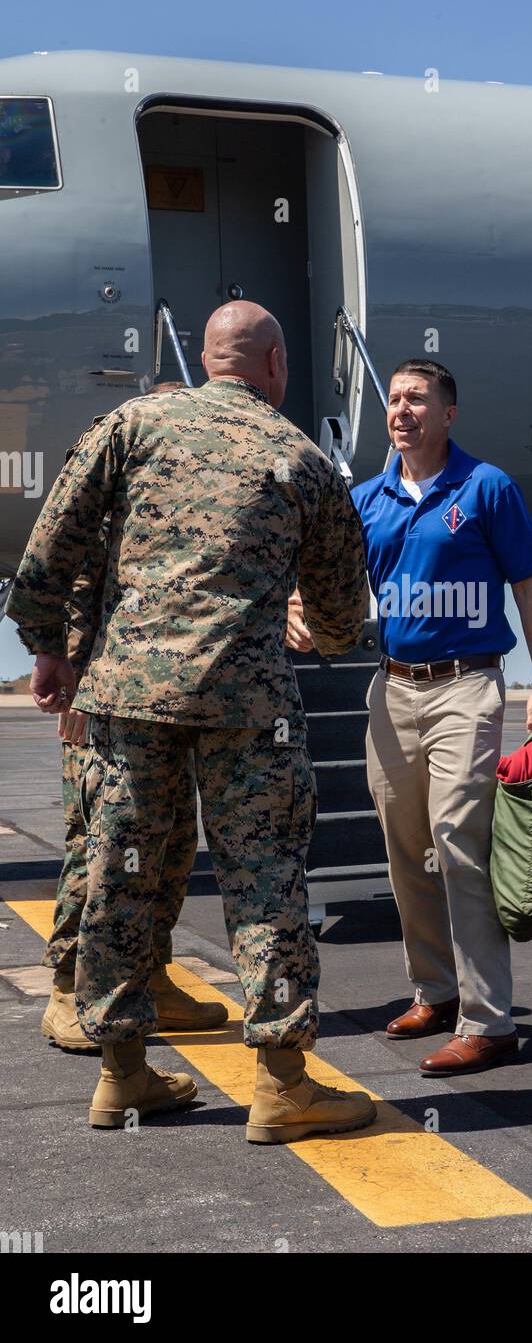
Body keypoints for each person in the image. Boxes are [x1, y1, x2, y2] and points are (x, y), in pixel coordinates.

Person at [7, 301, 375, 1141]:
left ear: (209, 357)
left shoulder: (131, 423)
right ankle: (282, 1087)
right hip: (248, 711)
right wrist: (316, 625)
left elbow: (52, 543)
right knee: (265, 883)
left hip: (128, 697)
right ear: (274, 364)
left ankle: (121, 1076)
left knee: (122, 876)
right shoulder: (304, 460)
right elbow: (341, 615)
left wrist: (51, 647)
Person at [287, 358, 532, 1075]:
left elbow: (529, 588)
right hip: (392, 689)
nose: (402, 410)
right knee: (404, 848)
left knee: (458, 841)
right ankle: (434, 992)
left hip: (466, 688)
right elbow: (330, 579)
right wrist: (299, 608)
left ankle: (490, 1021)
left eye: (418, 399)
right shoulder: (368, 497)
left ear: (449, 413)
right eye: (395, 399)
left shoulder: (487, 487)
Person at [42, 385, 227, 1050]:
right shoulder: (111, 458)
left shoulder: (173, 475)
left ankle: (152, 970)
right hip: (100, 692)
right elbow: (74, 582)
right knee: (96, 842)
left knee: (173, 838)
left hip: (156, 697)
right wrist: (74, 690)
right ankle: (67, 987)